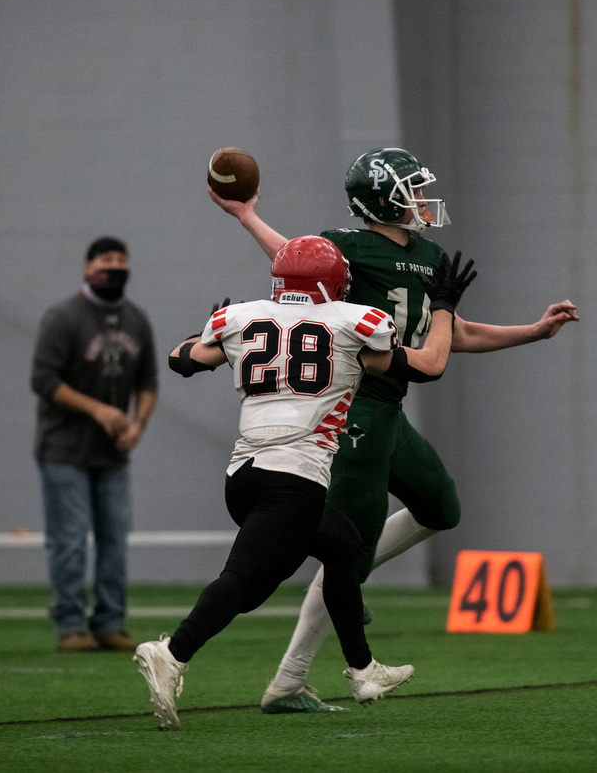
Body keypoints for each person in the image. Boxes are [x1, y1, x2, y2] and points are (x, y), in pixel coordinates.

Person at [209, 147, 579, 712]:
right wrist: (247, 216)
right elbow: (294, 261)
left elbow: (450, 332)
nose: (423, 199)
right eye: (413, 190)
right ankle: (289, 681)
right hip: (355, 409)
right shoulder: (350, 247)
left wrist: (532, 331)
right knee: (346, 557)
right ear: (382, 200)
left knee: (441, 507)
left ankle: (347, 583)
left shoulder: (429, 256)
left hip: (390, 408)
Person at [132, 236, 474, 730]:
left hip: (245, 476)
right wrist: (442, 306)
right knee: (243, 584)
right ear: (335, 283)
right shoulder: (355, 323)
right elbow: (430, 365)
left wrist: (209, 334)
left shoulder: (242, 317)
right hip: (292, 480)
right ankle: (171, 653)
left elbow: (181, 360)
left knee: (343, 546)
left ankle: (363, 670)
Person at [30, 237, 158, 652]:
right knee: (69, 541)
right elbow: (43, 380)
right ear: (87, 267)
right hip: (63, 450)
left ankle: (110, 624)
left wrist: (138, 425)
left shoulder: (136, 319)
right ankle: (71, 626)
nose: (115, 266)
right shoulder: (64, 317)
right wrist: (99, 411)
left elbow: (148, 381)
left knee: (114, 541)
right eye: (106, 259)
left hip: (113, 454)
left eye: (121, 259)